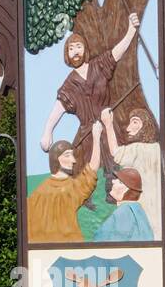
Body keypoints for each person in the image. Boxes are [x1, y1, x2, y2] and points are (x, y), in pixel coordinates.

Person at [39, 12, 140, 192]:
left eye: (78, 46)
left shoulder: (99, 66)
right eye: (71, 48)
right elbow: (58, 109)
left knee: (117, 163)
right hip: (87, 133)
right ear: (67, 54)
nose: (75, 51)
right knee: (81, 170)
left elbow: (116, 53)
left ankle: (115, 191)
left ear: (85, 50)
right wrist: (47, 132)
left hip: (109, 124)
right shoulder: (69, 85)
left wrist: (131, 30)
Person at [27, 121, 102, 243]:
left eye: (72, 155)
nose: (73, 160)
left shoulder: (37, 193)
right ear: (56, 159)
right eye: (67, 155)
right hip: (67, 248)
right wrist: (96, 136)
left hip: (47, 251)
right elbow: (92, 169)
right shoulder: (70, 188)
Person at [100, 105, 163, 239]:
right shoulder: (157, 149)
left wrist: (108, 124)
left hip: (144, 219)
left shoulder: (138, 149)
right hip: (157, 223)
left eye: (134, 122)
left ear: (144, 125)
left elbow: (116, 153)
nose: (128, 128)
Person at [95, 168, 154, 243]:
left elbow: (115, 243)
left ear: (127, 190)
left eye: (120, 182)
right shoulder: (136, 209)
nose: (113, 181)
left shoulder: (124, 212)